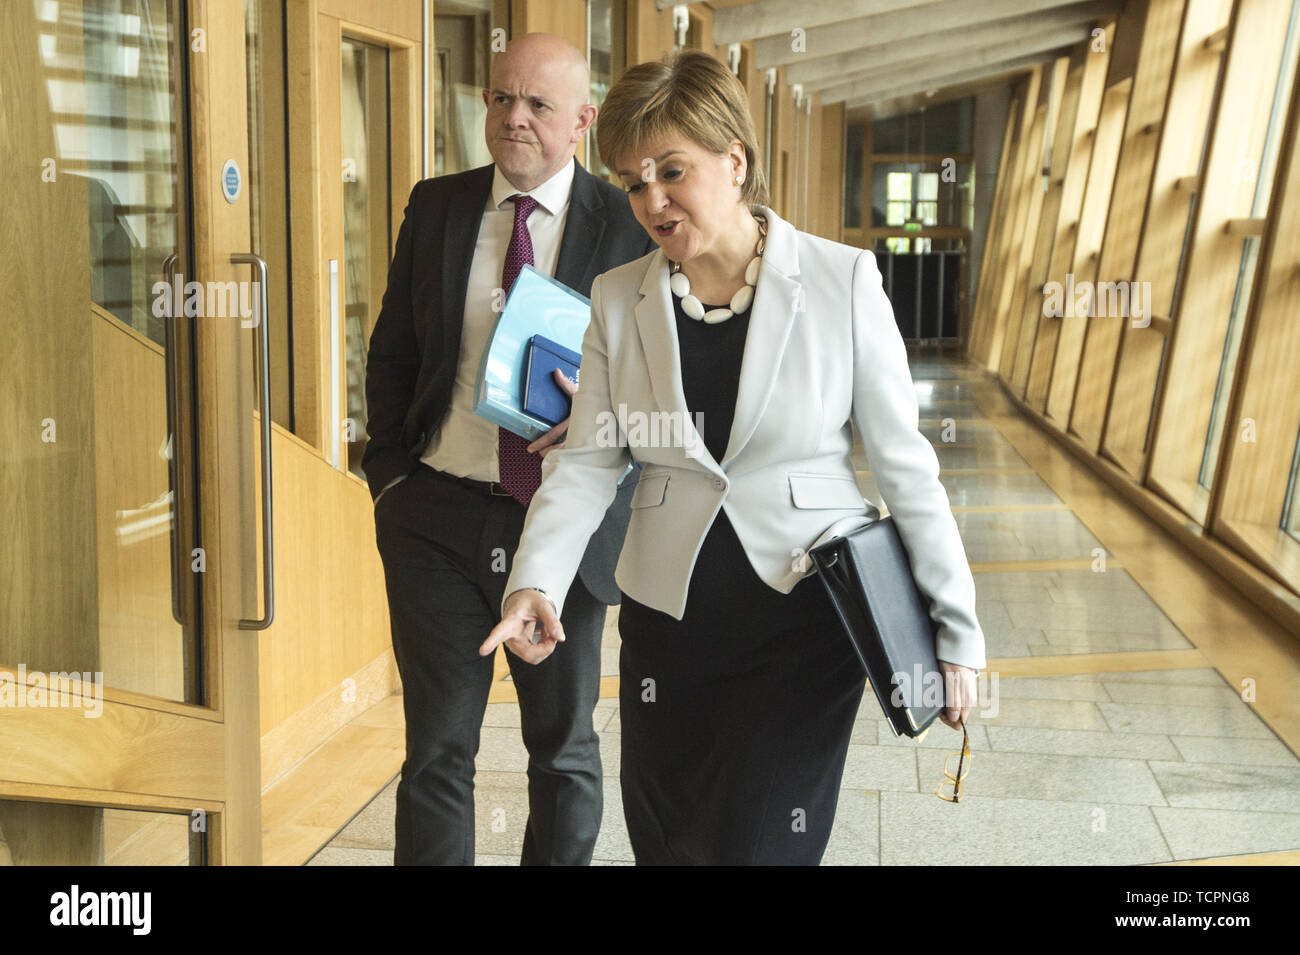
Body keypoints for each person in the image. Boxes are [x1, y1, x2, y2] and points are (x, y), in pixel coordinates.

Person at [481, 50, 986, 865]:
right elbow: (587, 462)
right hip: (666, 633)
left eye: (671, 171)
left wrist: (955, 633)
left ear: (735, 161)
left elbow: (906, 468)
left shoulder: (841, 280)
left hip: (802, 622)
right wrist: (536, 580)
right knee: (671, 846)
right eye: (633, 181)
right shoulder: (619, 297)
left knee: (759, 846)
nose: (652, 200)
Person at [363, 32, 655, 866]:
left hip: (565, 522)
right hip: (436, 518)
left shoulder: (628, 223)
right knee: (435, 754)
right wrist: (390, 481)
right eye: (499, 99)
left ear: (583, 121)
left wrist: (613, 425)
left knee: (562, 753)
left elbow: (666, 380)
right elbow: (391, 354)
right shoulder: (437, 206)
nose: (513, 118)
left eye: (537, 104)